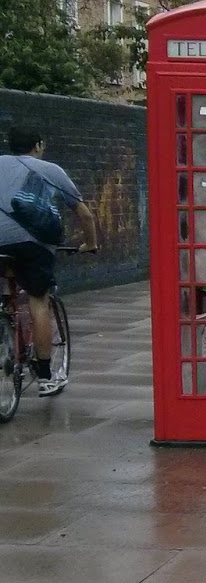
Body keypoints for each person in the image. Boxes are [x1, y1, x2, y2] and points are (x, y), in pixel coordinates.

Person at [0, 129, 99, 396]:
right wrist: (90, 244)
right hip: (32, 243)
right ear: (38, 145)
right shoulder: (49, 169)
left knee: (7, 285)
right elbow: (85, 215)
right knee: (38, 299)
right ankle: (45, 375)